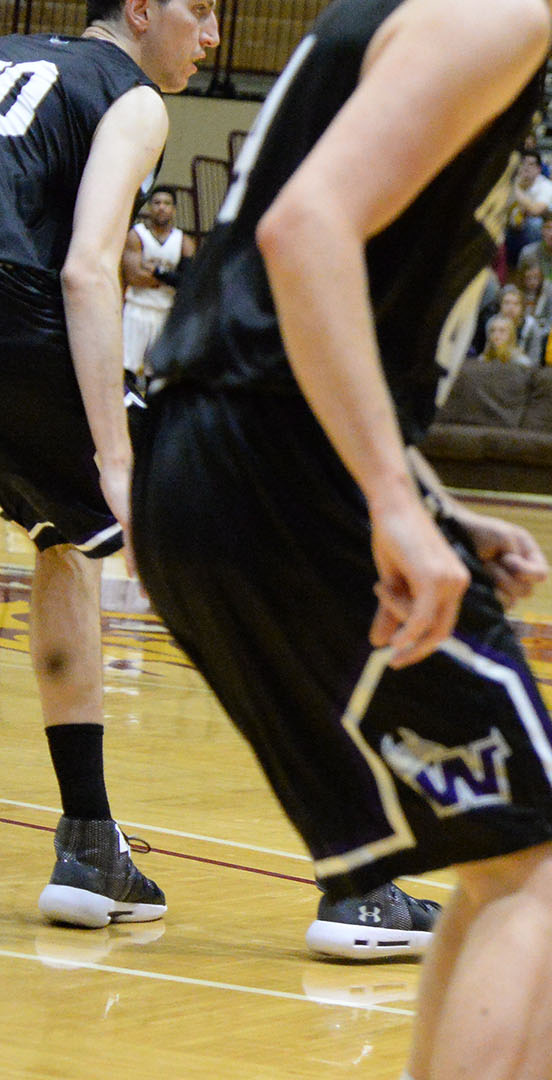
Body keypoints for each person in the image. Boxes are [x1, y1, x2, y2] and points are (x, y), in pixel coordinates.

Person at [133, 2, 552, 1076]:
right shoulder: (492, 14)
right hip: (274, 464)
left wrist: (428, 498)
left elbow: (271, 292)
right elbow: (303, 233)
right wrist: (392, 501)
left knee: (520, 852)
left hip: (220, 454)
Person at [0, 0, 215, 933]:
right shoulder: (128, 97)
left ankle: (90, 837)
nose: (210, 36)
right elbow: (91, 271)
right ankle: (358, 867)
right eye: (199, 9)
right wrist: (117, 457)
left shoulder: (8, 54)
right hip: (11, 308)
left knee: (64, 543)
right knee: (225, 526)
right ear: (137, 10)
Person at [121, 186, 195, 377]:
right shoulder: (136, 235)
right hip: (137, 310)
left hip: (166, 313)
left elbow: (188, 281)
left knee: (158, 373)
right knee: (126, 369)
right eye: (157, 203)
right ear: (149, 208)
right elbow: (134, 276)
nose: (162, 207)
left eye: (167, 203)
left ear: (174, 209)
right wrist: (169, 278)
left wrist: (155, 271)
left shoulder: (183, 241)